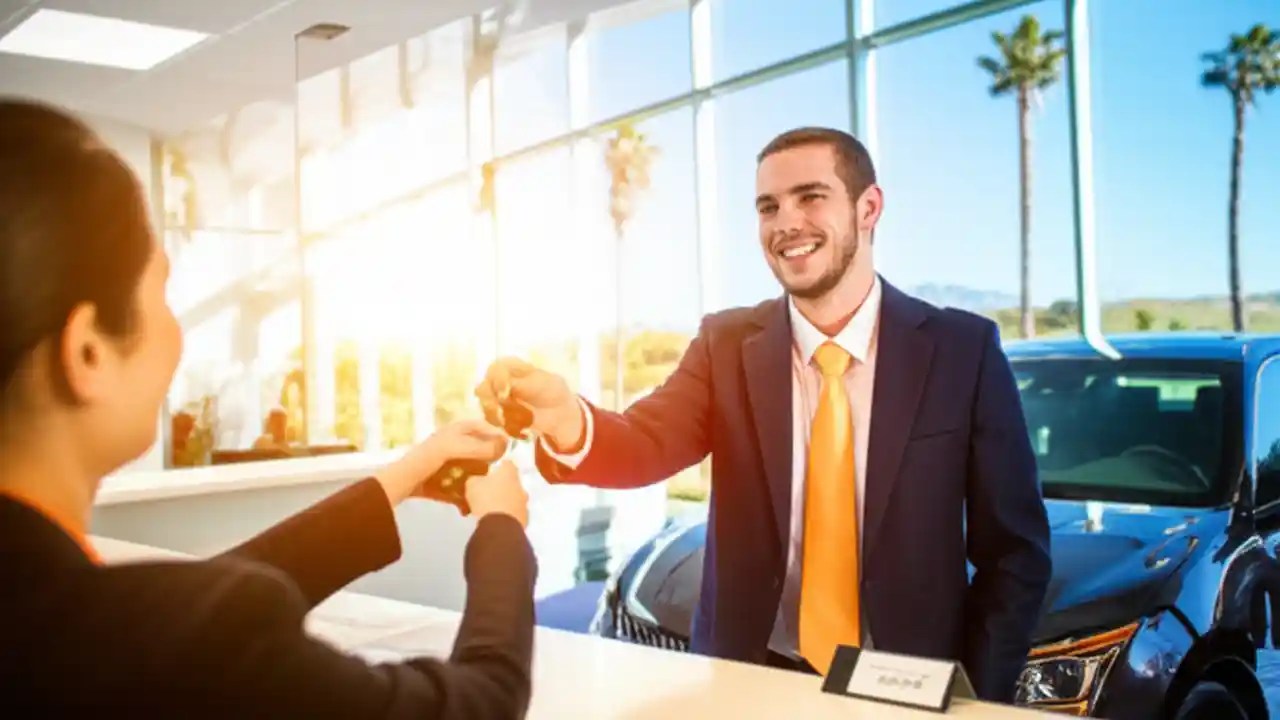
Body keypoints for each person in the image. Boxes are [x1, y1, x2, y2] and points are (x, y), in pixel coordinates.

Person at [0, 99, 535, 718]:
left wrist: (400, 479)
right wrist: (503, 531)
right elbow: (480, 704)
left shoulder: (64, 619)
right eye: (162, 292)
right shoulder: (165, 643)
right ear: (87, 352)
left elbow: (168, 623)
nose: (177, 334)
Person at [479, 126, 1052, 702]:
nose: (786, 223)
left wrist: (979, 697)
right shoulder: (725, 344)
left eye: (810, 197)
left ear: (868, 207)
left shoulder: (962, 350)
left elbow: (1014, 555)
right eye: (768, 207)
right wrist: (564, 418)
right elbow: (644, 441)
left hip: (908, 690)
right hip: (750, 680)